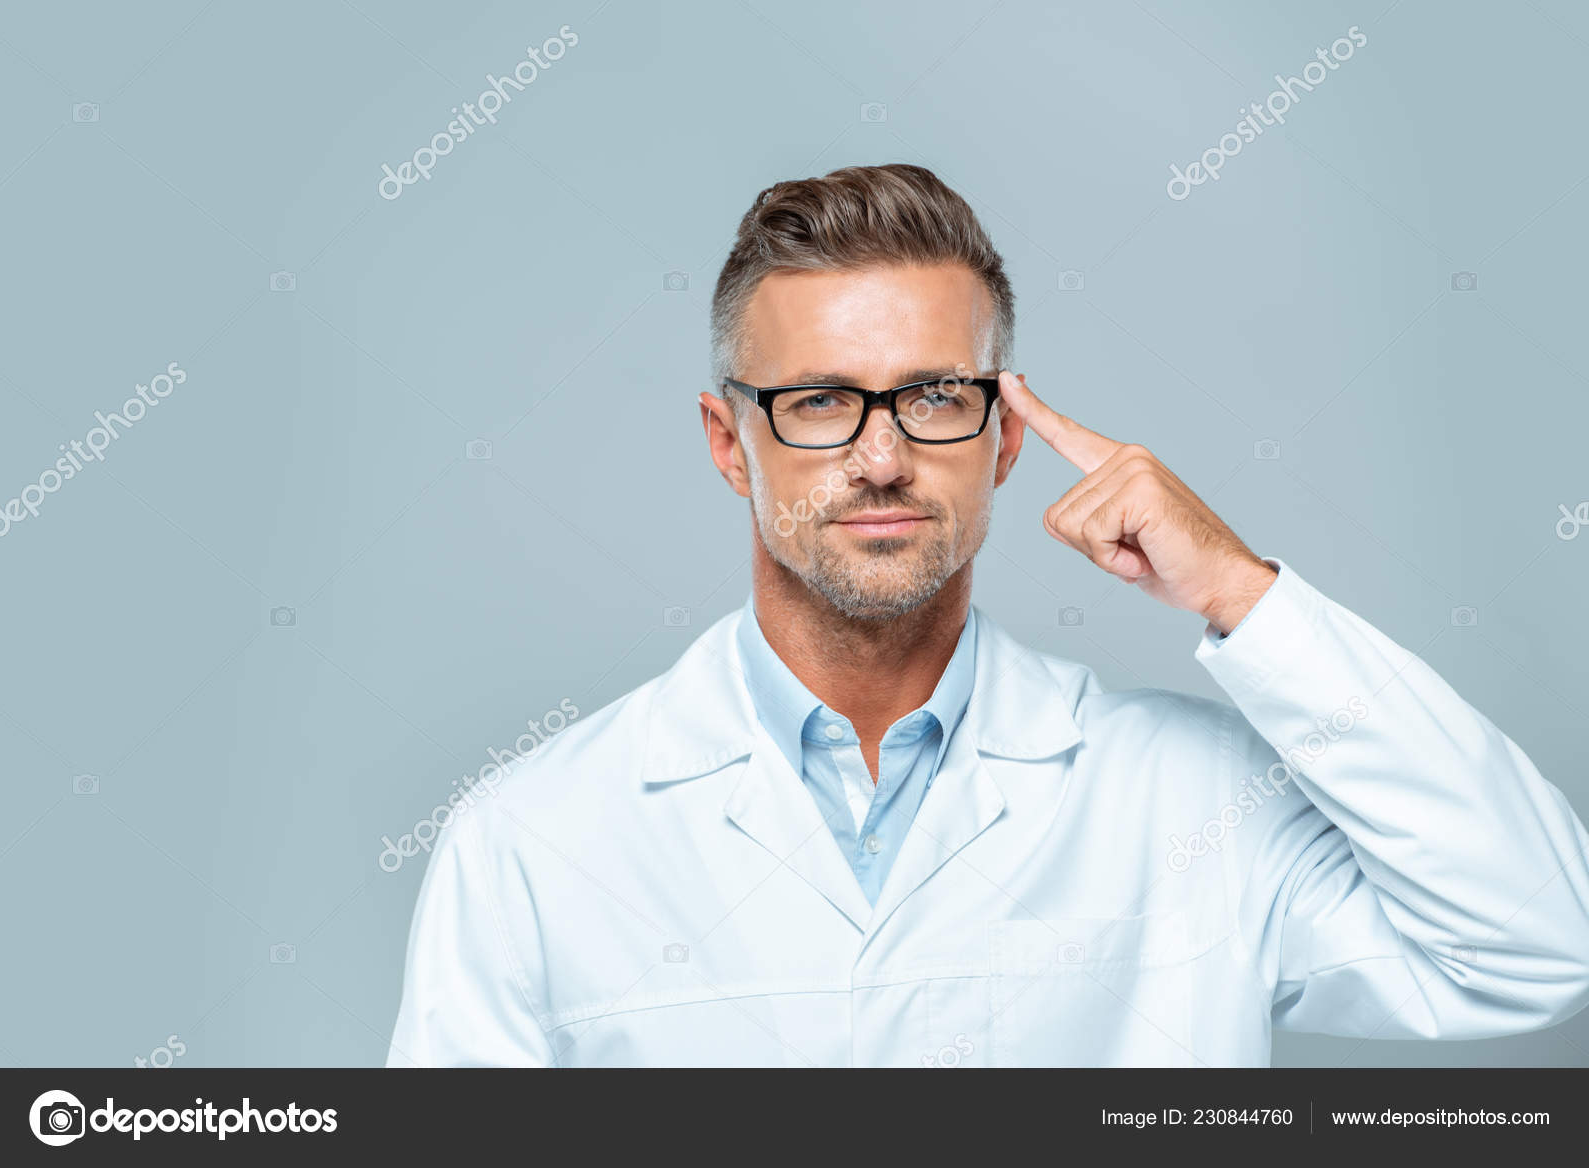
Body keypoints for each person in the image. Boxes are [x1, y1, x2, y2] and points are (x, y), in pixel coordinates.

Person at [387, 164, 1589, 1066]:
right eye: (818, 401)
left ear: (1004, 437)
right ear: (727, 441)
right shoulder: (533, 839)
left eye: (932, 396)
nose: (880, 458)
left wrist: (1240, 591)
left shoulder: (1191, 799)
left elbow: (1535, 945)